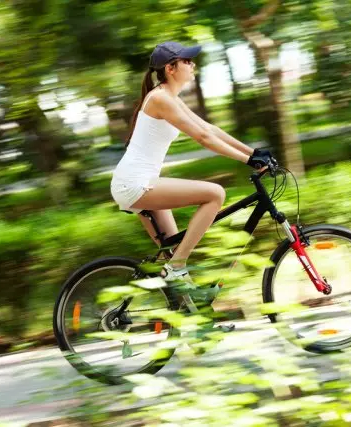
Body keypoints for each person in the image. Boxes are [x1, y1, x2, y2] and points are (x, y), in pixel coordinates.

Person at [110, 41, 270, 305]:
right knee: (215, 194)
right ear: (170, 68)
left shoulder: (169, 97)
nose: (193, 64)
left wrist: (253, 153)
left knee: (172, 254)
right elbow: (203, 137)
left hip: (139, 183)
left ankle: (195, 321)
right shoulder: (161, 98)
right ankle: (175, 269)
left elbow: (209, 128)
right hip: (135, 184)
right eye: (187, 61)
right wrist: (246, 160)